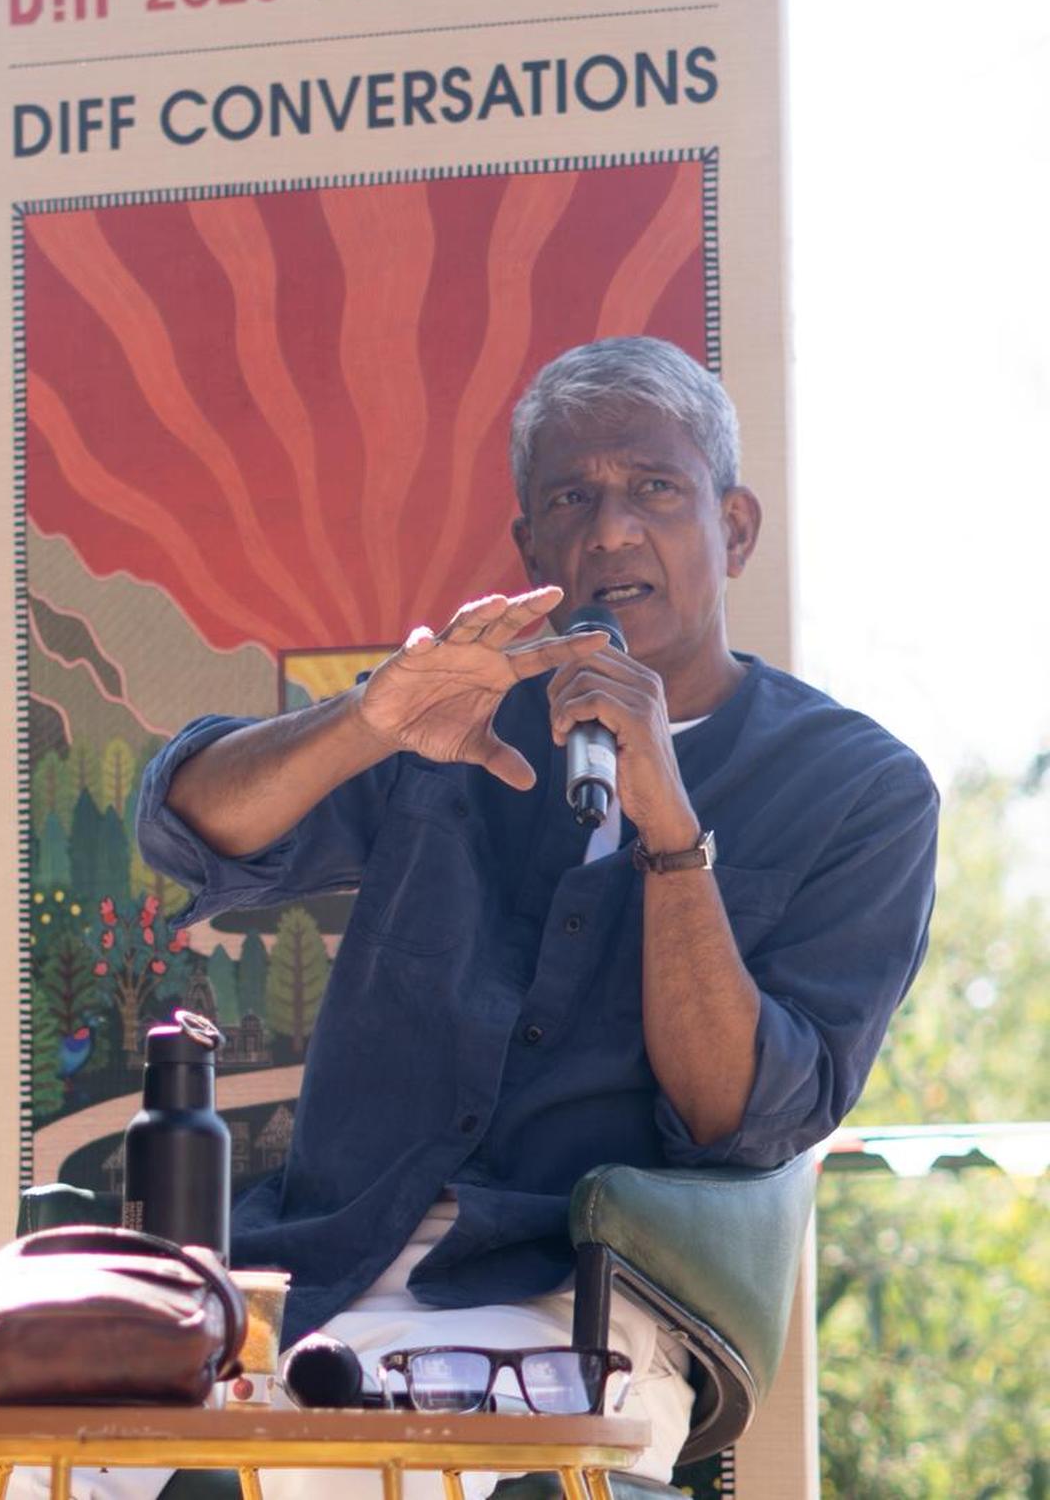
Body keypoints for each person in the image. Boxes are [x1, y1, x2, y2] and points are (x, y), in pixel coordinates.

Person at [131, 336, 938, 1491]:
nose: (612, 529)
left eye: (655, 488)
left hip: (574, 1308)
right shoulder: (460, 718)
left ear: (736, 527)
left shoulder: (861, 789)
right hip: (307, 1268)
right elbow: (192, 824)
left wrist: (672, 829)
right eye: (573, 497)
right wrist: (369, 719)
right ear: (531, 547)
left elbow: (743, 1116)